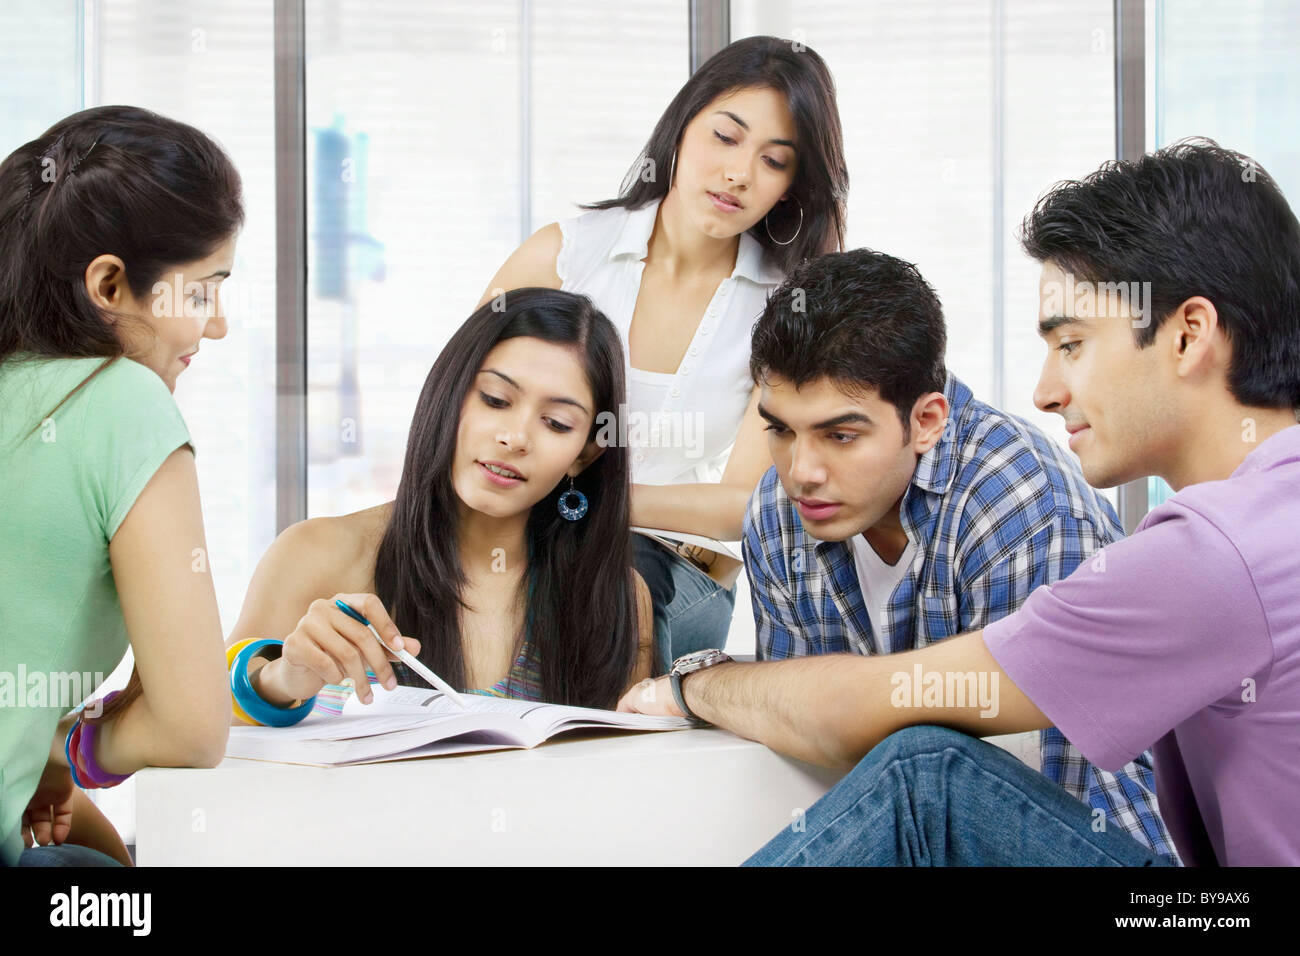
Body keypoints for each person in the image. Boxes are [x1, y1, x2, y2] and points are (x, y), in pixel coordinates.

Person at [621, 140, 1300, 867]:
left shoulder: (1210, 556)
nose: (1046, 392)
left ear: (1188, 334)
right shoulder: (1263, 520)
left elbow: (877, 713)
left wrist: (697, 682)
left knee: (927, 776)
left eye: (1072, 344)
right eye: (781, 431)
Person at [480, 35, 849, 674]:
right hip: (520, 541)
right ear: (681, 129)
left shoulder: (789, 308)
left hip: (678, 565)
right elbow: (462, 415)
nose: (738, 173)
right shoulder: (562, 258)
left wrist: (593, 500)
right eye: (725, 137)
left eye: (774, 160)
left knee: (594, 599)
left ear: (792, 187)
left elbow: (746, 506)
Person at [0, 106, 241, 866]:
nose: (218, 324)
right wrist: (77, 747)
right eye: (203, 291)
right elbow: (193, 727)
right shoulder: (119, 401)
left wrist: (40, 759)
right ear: (108, 284)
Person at [228, 288, 652, 718]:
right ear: (449, 395)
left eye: (557, 424)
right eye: (495, 399)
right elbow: (209, 722)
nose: (515, 437)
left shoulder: (618, 597)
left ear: (584, 453)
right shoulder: (314, 553)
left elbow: (620, 768)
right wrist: (282, 679)